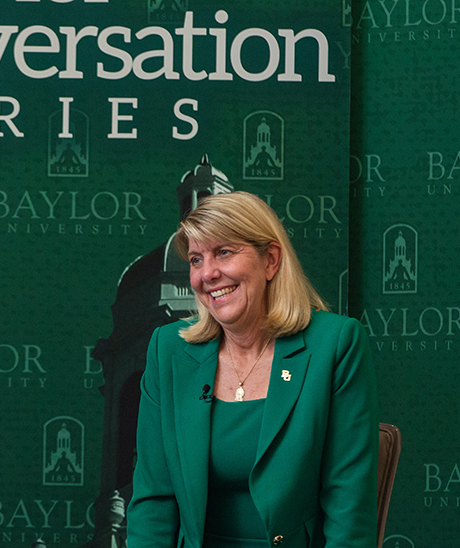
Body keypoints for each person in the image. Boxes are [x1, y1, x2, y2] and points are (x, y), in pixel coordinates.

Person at [127, 192, 377, 548]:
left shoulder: (336, 344)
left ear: (271, 260)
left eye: (224, 252)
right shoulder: (168, 349)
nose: (207, 274)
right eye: (196, 259)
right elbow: (153, 500)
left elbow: (349, 508)